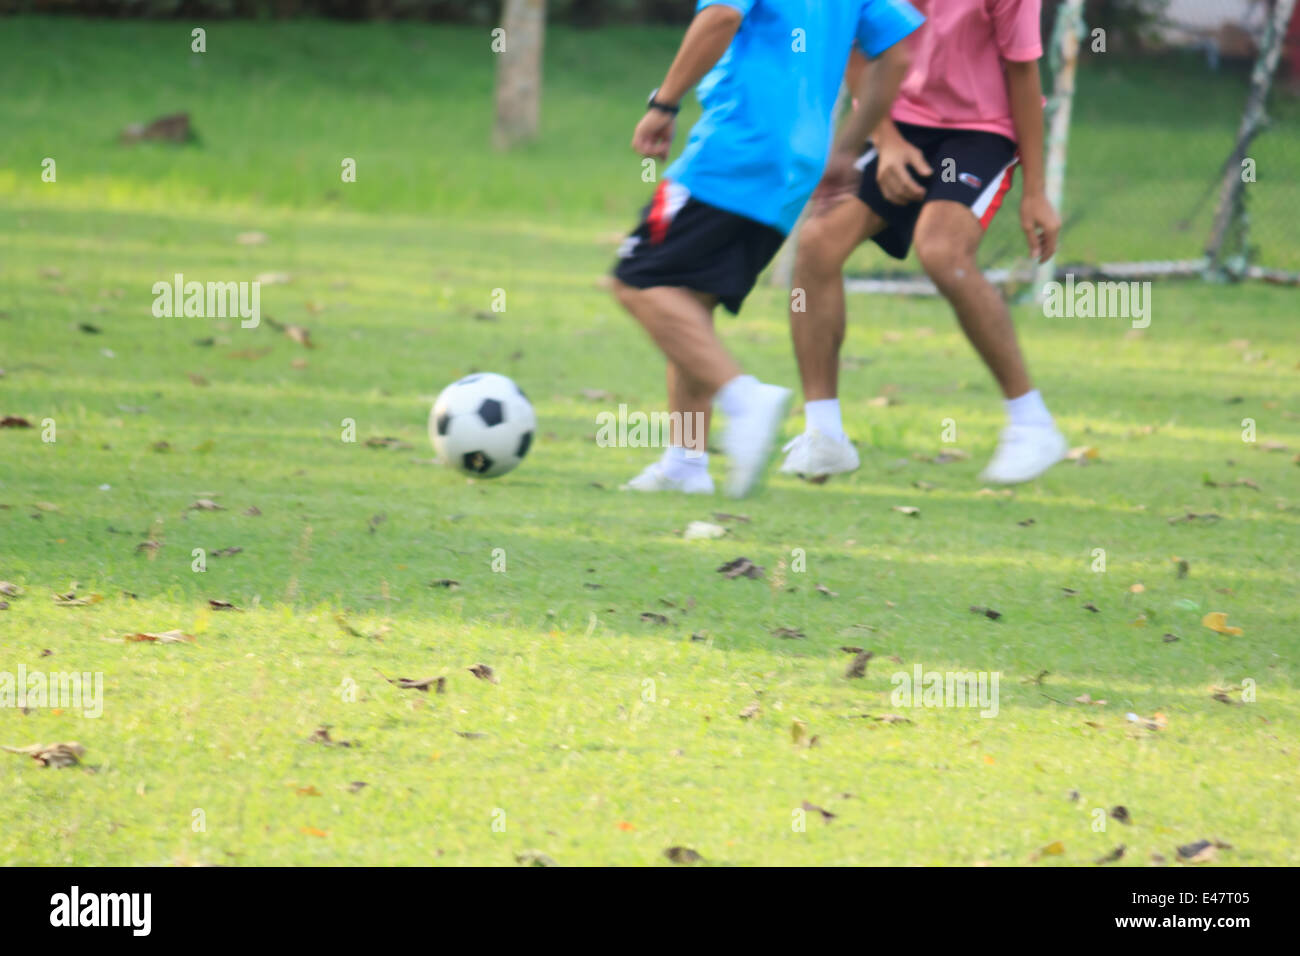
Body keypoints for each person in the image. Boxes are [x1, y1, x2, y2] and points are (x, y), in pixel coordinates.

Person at [610, 0, 923, 498]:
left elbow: (721, 17)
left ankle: (744, 399)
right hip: (802, 157)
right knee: (690, 301)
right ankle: (685, 462)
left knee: (636, 281)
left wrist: (663, 104)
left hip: (740, 143)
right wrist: (847, 147)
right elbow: (897, 55)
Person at [780, 0, 1068, 484]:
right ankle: (824, 435)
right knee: (816, 245)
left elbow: (1023, 75)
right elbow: (855, 48)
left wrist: (1036, 192)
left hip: (980, 131)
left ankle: (1032, 422)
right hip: (899, 121)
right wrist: (886, 139)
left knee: (941, 252)